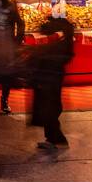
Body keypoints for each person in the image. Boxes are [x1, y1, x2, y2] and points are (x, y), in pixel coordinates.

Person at [27, 15, 75, 152]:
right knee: (49, 105)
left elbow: (51, 54)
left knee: (48, 106)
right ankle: (52, 138)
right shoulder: (64, 37)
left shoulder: (58, 40)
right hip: (52, 74)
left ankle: (57, 139)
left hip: (50, 75)